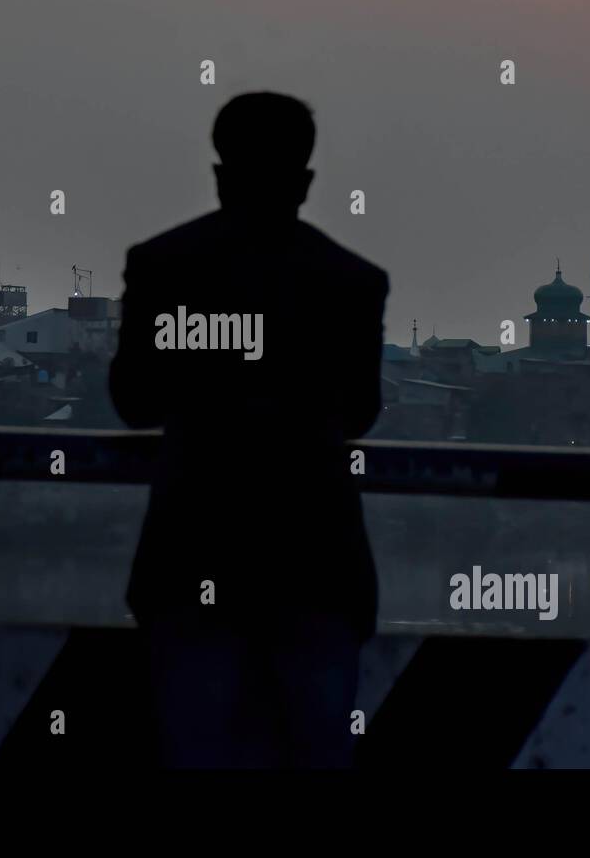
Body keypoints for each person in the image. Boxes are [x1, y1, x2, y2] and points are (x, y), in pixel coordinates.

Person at [109, 92, 389, 767]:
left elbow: (135, 400)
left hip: (194, 557)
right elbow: (359, 412)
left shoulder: (164, 265)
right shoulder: (351, 281)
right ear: (306, 179)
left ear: (219, 172)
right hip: (316, 565)